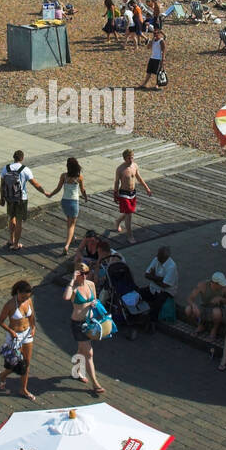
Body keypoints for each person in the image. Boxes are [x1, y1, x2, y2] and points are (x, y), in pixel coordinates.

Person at [63, 263, 106, 395]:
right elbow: (65, 297)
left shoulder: (90, 284)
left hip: (90, 322)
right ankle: (95, 384)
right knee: (89, 353)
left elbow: (96, 300)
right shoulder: (74, 288)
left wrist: (94, 303)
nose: (84, 276)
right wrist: (72, 280)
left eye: (86, 273)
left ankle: (76, 372)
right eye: (81, 274)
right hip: (78, 324)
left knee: (82, 350)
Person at [0, 150, 50, 251]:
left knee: (11, 218)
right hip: (21, 199)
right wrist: (44, 192)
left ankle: (11, 239)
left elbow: (2, 185)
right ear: (22, 158)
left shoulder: (6, 168)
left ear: (13, 157)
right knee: (19, 222)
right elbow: (35, 184)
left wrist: (2, 198)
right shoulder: (25, 170)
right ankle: (16, 244)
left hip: (9, 198)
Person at [0, 280, 37, 401]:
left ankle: (23, 389)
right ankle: (2, 375)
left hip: (27, 334)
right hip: (15, 336)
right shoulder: (10, 305)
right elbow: (0, 321)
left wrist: (33, 326)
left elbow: (32, 316)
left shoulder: (28, 301)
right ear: (18, 292)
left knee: (26, 363)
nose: (24, 299)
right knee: (16, 363)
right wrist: (11, 331)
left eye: (27, 297)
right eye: (23, 297)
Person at [47, 157, 89, 254]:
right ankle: (67, 245)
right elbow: (83, 190)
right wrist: (86, 197)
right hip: (74, 202)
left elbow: (58, 188)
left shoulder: (63, 176)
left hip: (64, 202)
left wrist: (50, 194)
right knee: (72, 224)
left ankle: (72, 237)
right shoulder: (79, 177)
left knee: (69, 221)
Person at [113, 149, 152, 243]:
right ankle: (130, 236)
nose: (131, 160)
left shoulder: (135, 166)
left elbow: (139, 178)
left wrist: (147, 188)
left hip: (132, 193)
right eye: (128, 158)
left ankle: (118, 221)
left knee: (129, 213)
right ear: (124, 158)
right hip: (124, 193)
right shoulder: (120, 169)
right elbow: (117, 182)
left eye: (132, 158)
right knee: (129, 214)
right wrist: (115, 194)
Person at [186, 272, 226, 341]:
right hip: (204, 307)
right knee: (188, 309)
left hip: (217, 308)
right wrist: (193, 305)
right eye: (221, 284)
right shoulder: (203, 285)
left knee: (216, 312)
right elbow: (190, 298)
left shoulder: (225, 287)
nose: (222, 286)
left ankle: (214, 329)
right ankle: (200, 325)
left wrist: (221, 299)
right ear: (215, 283)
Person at [139, 245, 179, 314]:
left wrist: (153, 277)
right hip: (153, 288)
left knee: (155, 308)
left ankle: (152, 321)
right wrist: (159, 279)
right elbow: (146, 275)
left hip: (165, 292)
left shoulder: (172, 267)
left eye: (159, 255)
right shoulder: (156, 259)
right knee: (138, 293)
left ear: (164, 258)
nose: (157, 256)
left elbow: (164, 285)